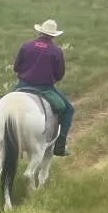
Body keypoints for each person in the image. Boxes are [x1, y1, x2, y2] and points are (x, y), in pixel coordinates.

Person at [13, 18, 74, 156]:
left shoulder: (26, 46)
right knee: (69, 110)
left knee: (0, 103)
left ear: (40, 32)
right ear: (53, 35)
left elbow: (16, 67)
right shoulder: (56, 51)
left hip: (22, 85)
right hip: (45, 88)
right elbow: (59, 75)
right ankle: (60, 146)